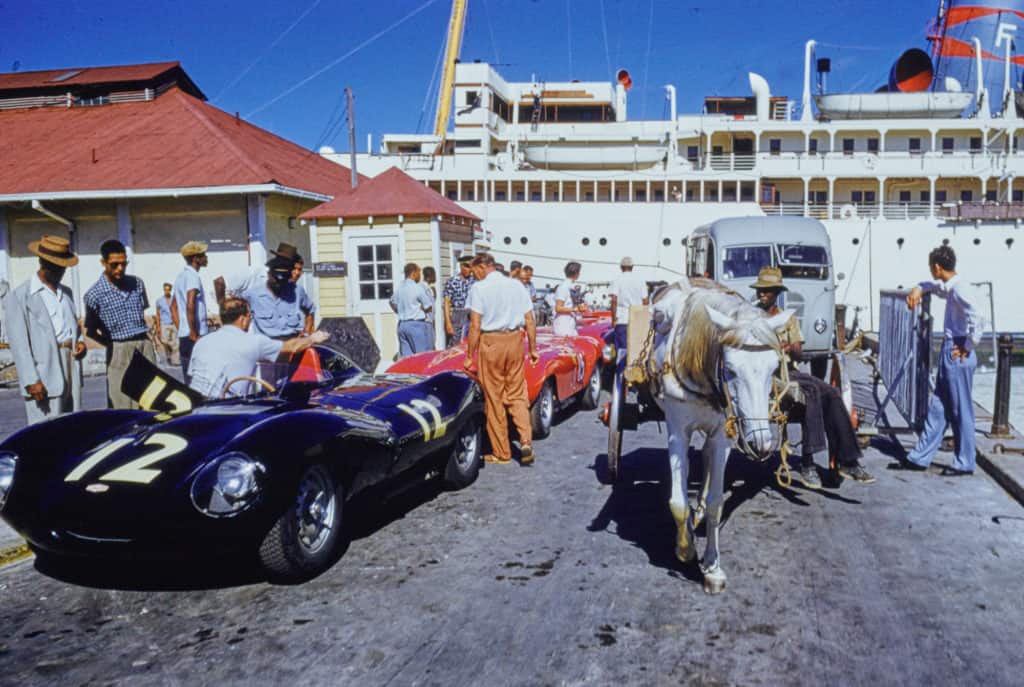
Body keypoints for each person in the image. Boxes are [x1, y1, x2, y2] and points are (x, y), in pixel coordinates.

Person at [752, 267, 875, 487]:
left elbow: (799, 350)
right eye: (760, 290)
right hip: (763, 375)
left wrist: (790, 347)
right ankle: (808, 462)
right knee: (811, 393)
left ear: (777, 292)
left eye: (767, 290)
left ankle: (848, 460)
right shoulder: (750, 315)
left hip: (787, 371)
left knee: (832, 393)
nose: (762, 294)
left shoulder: (787, 318)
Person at [903, 245, 983, 476]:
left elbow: (978, 316)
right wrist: (920, 288)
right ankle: (919, 457)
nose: (931, 272)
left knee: (961, 410)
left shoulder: (959, 290)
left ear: (937, 267)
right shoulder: (953, 285)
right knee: (938, 408)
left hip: (957, 350)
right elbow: (933, 286)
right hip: (952, 350)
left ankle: (965, 461)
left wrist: (968, 345)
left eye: (931, 268)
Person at [464, 253, 539, 465]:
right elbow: (530, 321)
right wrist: (533, 349)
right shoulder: (517, 286)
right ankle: (525, 440)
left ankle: (502, 452)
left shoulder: (479, 289)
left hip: (492, 342)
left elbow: (475, 325)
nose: (473, 275)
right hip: (515, 340)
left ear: (481, 268)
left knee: (494, 398)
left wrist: (470, 356)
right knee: (516, 394)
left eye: (473, 270)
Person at [3, 235, 87, 423]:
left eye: (63, 265)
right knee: (44, 432)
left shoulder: (66, 293)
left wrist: (80, 343)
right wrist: (31, 380)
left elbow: (73, 327)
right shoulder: (21, 296)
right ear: (42, 262)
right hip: (44, 371)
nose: (60, 270)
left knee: (72, 428)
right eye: (55, 265)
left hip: (70, 366)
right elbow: (19, 345)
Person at [188, 298, 327, 398]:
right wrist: (313, 338)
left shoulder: (201, 342)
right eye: (250, 316)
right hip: (227, 409)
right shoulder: (253, 342)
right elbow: (291, 347)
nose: (250, 320)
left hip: (195, 405)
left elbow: (192, 376)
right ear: (243, 318)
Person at [84, 239, 157, 409]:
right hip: (119, 350)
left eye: (123, 264)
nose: (120, 269)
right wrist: (113, 346)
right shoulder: (94, 295)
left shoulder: (137, 284)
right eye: (114, 264)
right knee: (122, 404)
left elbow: (142, 310)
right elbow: (91, 331)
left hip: (144, 347)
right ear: (103, 262)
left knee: (151, 401)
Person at [239, 256, 315, 341]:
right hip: (266, 349)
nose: (280, 282)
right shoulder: (253, 295)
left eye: (283, 279)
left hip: (293, 347)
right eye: (277, 278)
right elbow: (234, 313)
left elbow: (310, 310)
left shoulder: (297, 291)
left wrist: (306, 333)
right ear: (269, 274)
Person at [172, 241, 210, 383]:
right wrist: (193, 333)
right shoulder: (193, 276)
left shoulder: (180, 276)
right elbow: (190, 304)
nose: (206, 258)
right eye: (203, 255)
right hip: (196, 336)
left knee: (189, 380)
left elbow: (173, 307)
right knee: (201, 380)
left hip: (184, 336)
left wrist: (181, 327)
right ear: (196, 258)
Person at [389, 262, 434, 357]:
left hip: (402, 325)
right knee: (421, 356)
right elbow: (429, 307)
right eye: (418, 273)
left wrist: (398, 311)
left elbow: (391, 301)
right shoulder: (417, 288)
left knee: (407, 358)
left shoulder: (400, 288)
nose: (420, 276)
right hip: (416, 325)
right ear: (413, 273)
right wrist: (421, 308)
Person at [609, 256, 648, 352]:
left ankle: (622, 367)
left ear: (621, 267)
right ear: (632, 267)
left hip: (622, 320)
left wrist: (613, 319)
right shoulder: (640, 281)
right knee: (637, 350)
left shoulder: (617, 280)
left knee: (622, 351)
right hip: (637, 320)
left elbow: (614, 300)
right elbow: (646, 301)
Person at [443, 254, 475, 345]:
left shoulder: (474, 281)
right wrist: (448, 322)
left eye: (471, 267)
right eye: (467, 266)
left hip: (471, 313)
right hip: (458, 314)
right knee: (455, 343)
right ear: (461, 266)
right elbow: (446, 302)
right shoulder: (452, 281)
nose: (470, 269)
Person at [552, 261, 586, 337]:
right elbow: (558, 308)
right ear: (576, 273)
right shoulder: (563, 287)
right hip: (563, 325)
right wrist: (575, 309)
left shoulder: (571, 286)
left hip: (571, 323)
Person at [153, 282, 179, 365]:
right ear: (163, 290)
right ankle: (168, 356)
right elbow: (157, 314)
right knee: (164, 341)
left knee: (176, 343)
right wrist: (158, 326)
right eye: (165, 290)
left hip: (174, 323)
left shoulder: (174, 300)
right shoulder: (159, 301)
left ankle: (175, 361)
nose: (166, 291)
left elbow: (178, 311)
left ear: (170, 290)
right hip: (164, 324)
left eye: (168, 290)